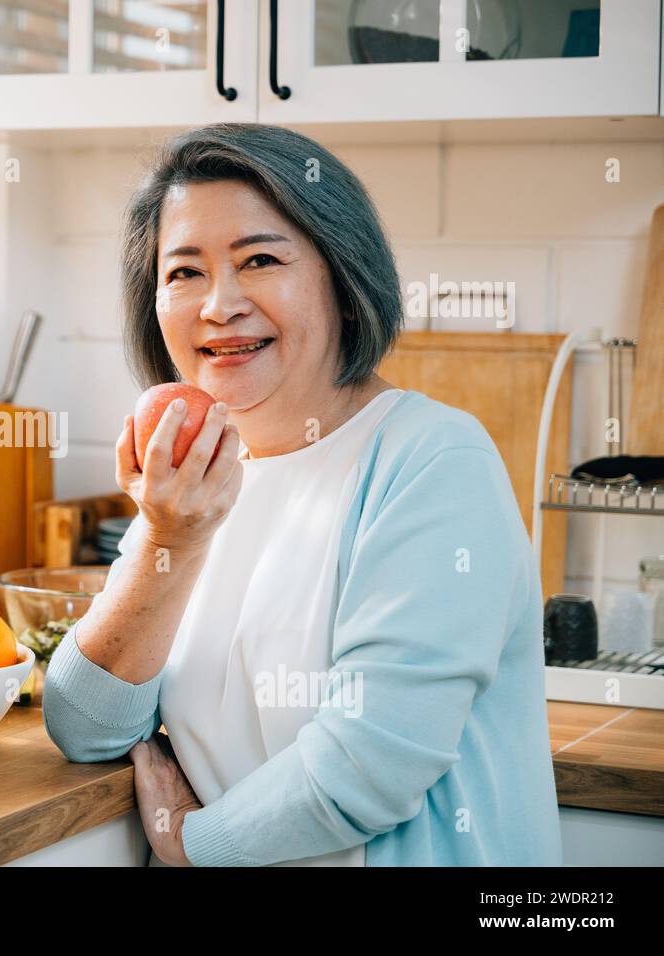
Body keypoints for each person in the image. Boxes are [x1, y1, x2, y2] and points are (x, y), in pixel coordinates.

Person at [41, 123, 562, 867]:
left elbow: (366, 769)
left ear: (345, 286)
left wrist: (189, 847)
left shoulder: (432, 461)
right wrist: (167, 540)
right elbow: (84, 725)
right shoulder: (200, 478)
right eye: (184, 272)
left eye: (259, 260)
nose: (218, 305)